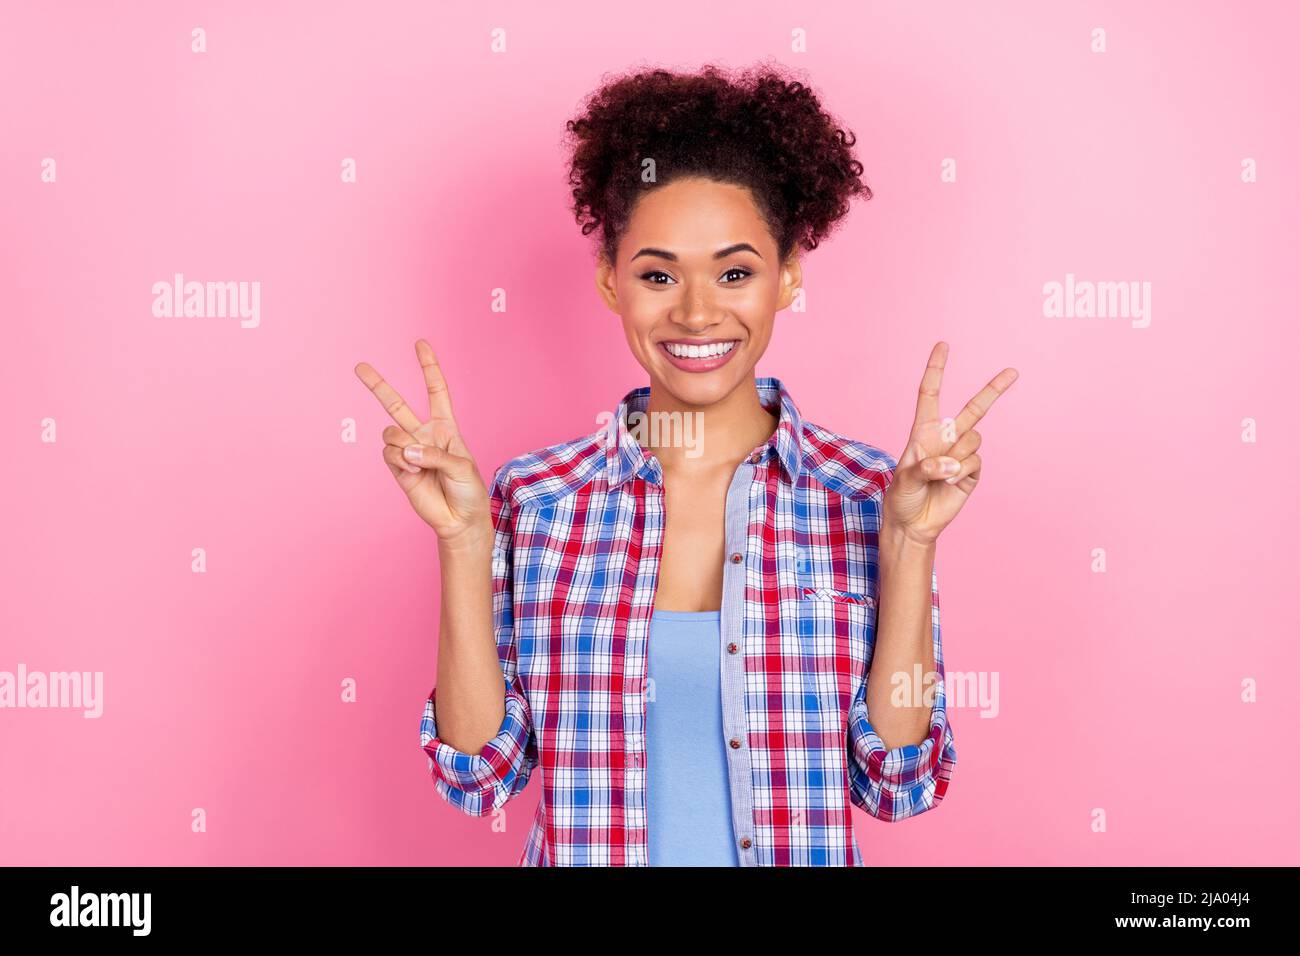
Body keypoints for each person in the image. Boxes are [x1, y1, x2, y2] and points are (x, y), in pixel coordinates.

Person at [354, 63, 1017, 866]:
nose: (697, 312)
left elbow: (896, 780)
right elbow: (480, 777)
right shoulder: (536, 500)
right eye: (658, 275)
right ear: (611, 283)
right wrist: (462, 541)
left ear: (788, 279)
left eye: (735, 273)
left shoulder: (870, 494)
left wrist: (910, 545)